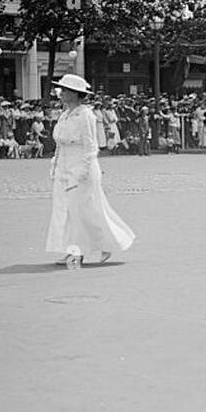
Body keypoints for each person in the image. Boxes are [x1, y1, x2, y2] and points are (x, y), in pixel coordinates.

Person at [44, 74, 135, 268]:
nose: (62, 93)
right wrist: (55, 165)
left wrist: (83, 171)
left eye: (66, 90)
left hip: (81, 166)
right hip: (65, 167)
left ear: (77, 95)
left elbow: (90, 146)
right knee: (66, 210)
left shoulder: (86, 115)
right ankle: (72, 248)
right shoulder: (64, 114)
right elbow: (60, 143)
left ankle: (94, 247)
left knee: (83, 209)